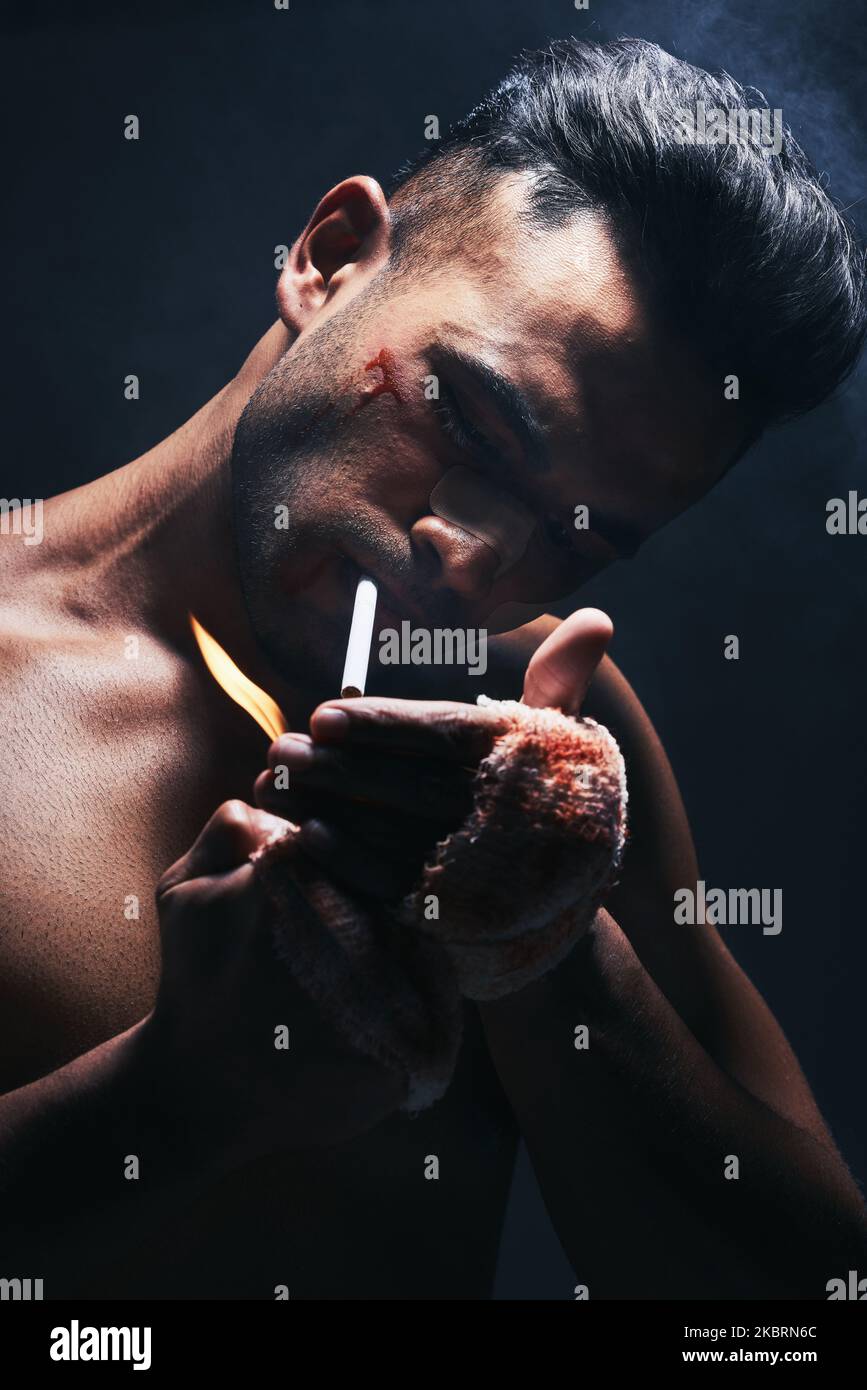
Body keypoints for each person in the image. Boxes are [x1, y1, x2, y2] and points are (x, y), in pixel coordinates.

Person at [1, 37, 865, 1299]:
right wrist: (172, 1103)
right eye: (467, 421)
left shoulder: (535, 738)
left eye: (583, 540)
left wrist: (547, 959)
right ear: (332, 259)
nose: (472, 562)